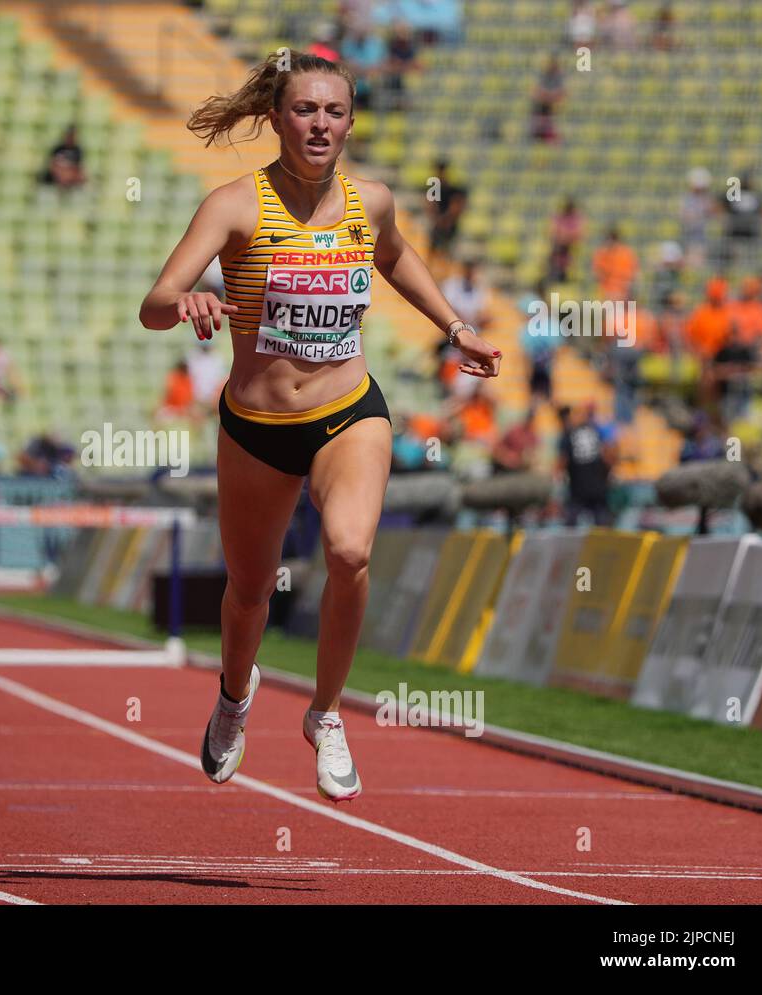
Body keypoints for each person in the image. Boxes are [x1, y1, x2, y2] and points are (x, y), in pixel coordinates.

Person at [139, 53, 500, 802]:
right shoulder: (235, 205)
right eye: (305, 110)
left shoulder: (371, 201)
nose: (320, 125)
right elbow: (156, 299)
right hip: (257, 426)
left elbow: (397, 259)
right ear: (276, 118)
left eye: (334, 112)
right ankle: (236, 696)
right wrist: (189, 304)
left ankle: (327, 713)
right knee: (247, 590)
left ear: (351, 122)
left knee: (349, 549)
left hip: (348, 411)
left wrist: (455, 326)